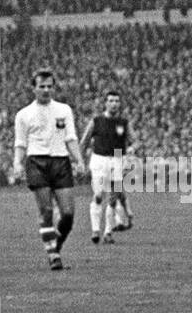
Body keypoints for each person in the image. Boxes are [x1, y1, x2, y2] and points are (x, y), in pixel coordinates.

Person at [13, 70, 86, 270]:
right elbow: (20, 143)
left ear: (54, 87)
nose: (46, 90)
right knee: (46, 210)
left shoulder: (64, 110)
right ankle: (53, 254)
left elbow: (71, 138)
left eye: (49, 86)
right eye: (41, 86)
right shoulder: (24, 114)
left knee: (68, 214)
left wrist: (79, 160)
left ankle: (55, 246)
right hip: (36, 161)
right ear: (34, 88)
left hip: (61, 161)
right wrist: (17, 163)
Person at [80, 90, 131, 244]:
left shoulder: (123, 122)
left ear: (119, 103)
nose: (114, 103)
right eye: (111, 101)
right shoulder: (96, 121)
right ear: (106, 103)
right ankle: (95, 230)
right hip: (99, 159)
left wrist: (130, 151)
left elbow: (133, 140)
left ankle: (107, 232)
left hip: (116, 158)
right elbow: (84, 141)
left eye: (116, 101)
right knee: (98, 195)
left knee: (113, 198)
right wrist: (79, 161)